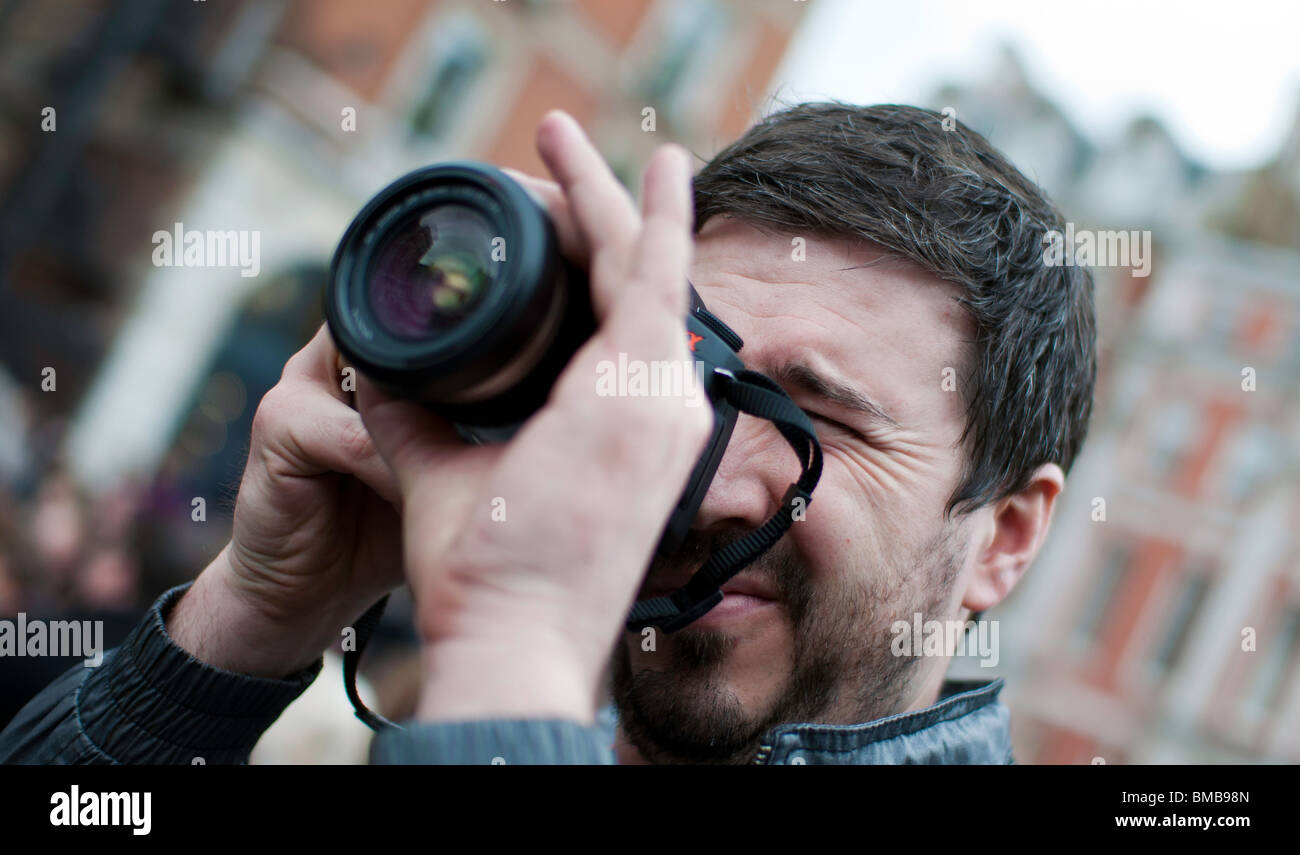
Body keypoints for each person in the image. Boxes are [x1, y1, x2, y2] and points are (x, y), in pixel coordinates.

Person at [0, 103, 1095, 765]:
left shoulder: (495, 694)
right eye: (683, 375)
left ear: (1004, 537)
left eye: (819, 418)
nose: (700, 473)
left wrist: (516, 633)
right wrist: (241, 631)